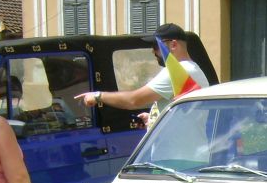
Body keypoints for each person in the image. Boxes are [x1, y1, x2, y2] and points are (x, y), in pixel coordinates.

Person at [74, 23, 209, 120]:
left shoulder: (178, 71)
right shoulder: (194, 69)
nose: (153, 51)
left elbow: (134, 101)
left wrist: (98, 96)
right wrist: (152, 119)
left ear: (173, 45)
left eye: (156, 46)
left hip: (178, 156)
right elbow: (187, 114)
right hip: (186, 154)